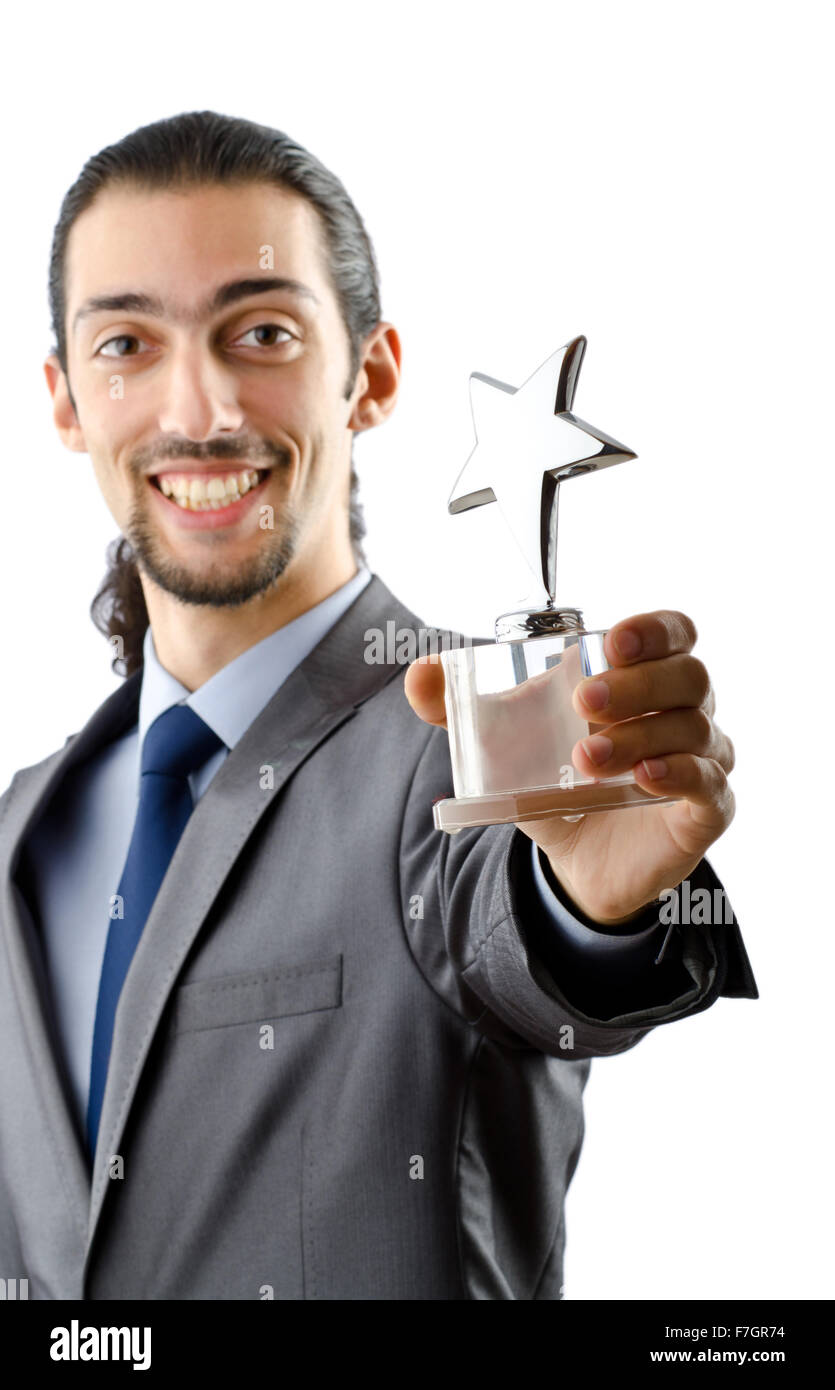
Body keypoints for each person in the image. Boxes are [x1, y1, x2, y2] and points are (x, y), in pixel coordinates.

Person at [0, 110, 757, 1301]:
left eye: (260, 332)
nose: (199, 409)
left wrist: (587, 913)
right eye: (127, 345)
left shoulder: (467, 739)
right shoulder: (19, 828)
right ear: (64, 399)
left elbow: (537, 937)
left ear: (372, 372)